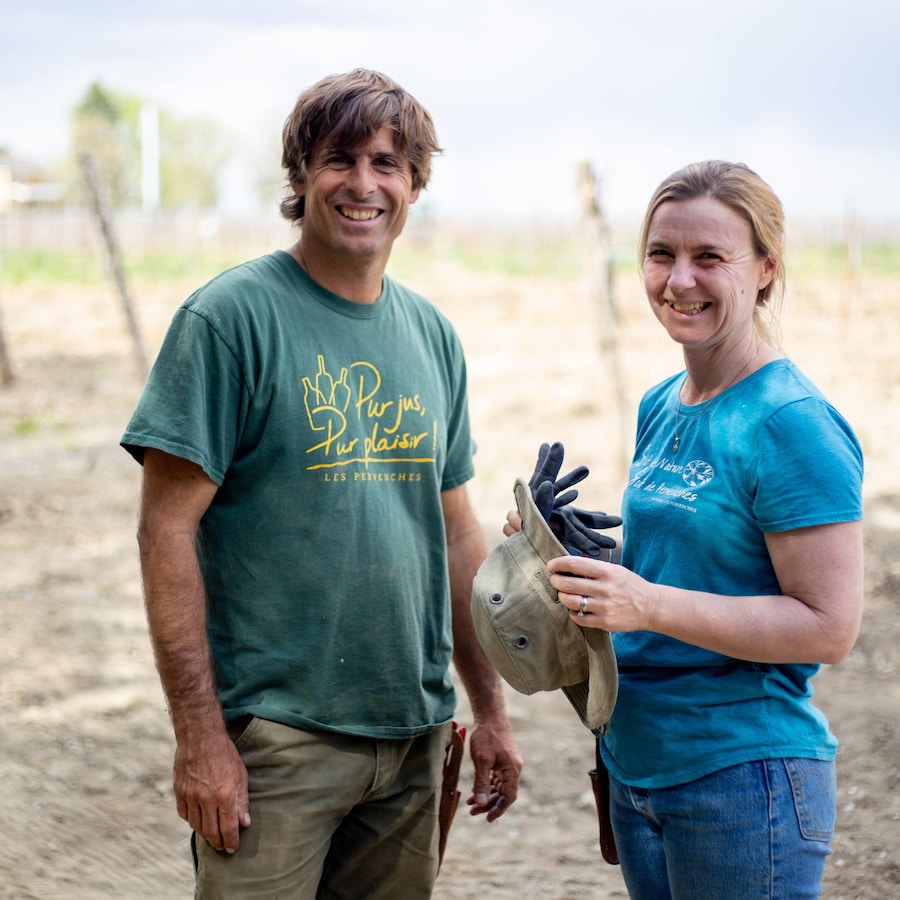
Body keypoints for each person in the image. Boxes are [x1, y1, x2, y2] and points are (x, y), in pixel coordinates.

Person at [121, 68, 522, 899]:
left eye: (388, 163)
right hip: (278, 741)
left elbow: (454, 536)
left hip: (413, 738)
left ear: (414, 185)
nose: (364, 184)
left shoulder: (432, 335)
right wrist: (201, 739)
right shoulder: (229, 320)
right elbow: (166, 531)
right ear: (300, 177)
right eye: (340, 159)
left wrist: (490, 709)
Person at [507, 160, 864, 899]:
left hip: (741, 777)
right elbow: (677, 573)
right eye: (662, 254)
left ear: (765, 268)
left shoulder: (789, 424)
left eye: (710, 258)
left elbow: (829, 627)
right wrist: (559, 550)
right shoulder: (662, 404)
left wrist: (646, 604)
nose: (679, 280)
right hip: (640, 764)